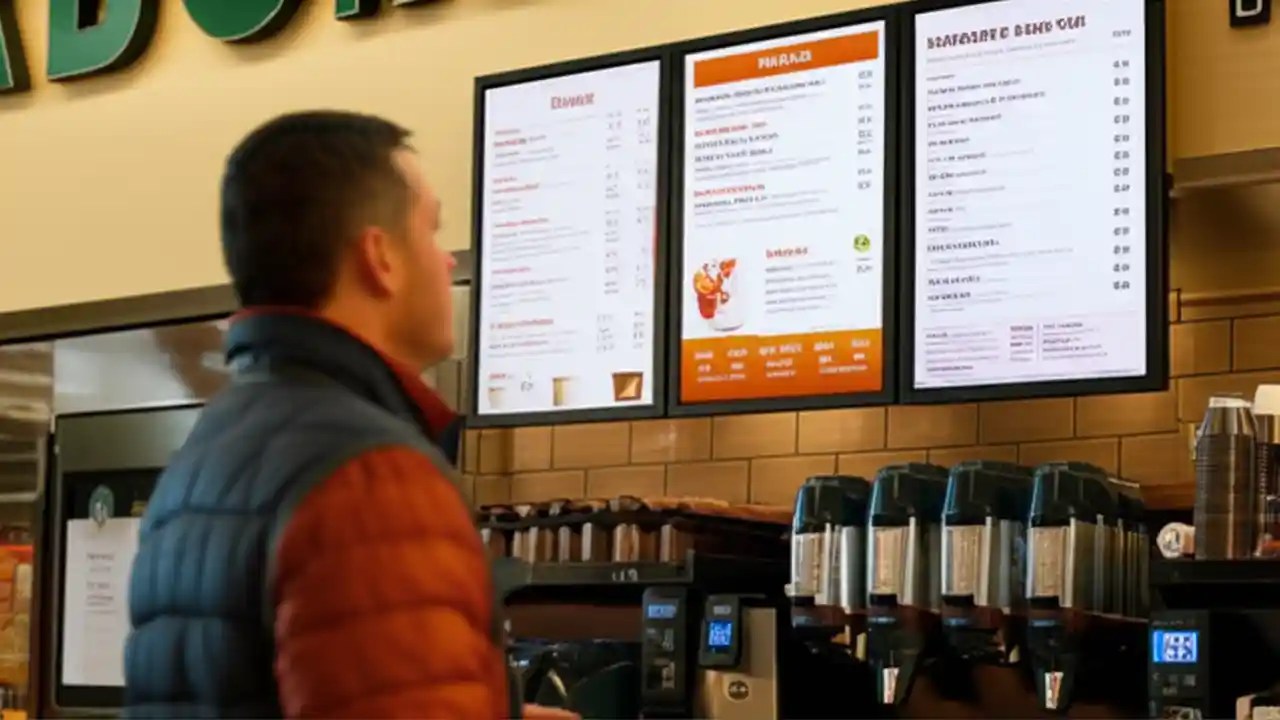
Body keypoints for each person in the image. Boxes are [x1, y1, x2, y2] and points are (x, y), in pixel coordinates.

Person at [123, 111, 573, 719]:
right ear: (379, 257)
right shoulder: (374, 476)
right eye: (431, 233)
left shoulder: (199, 462)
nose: (446, 262)